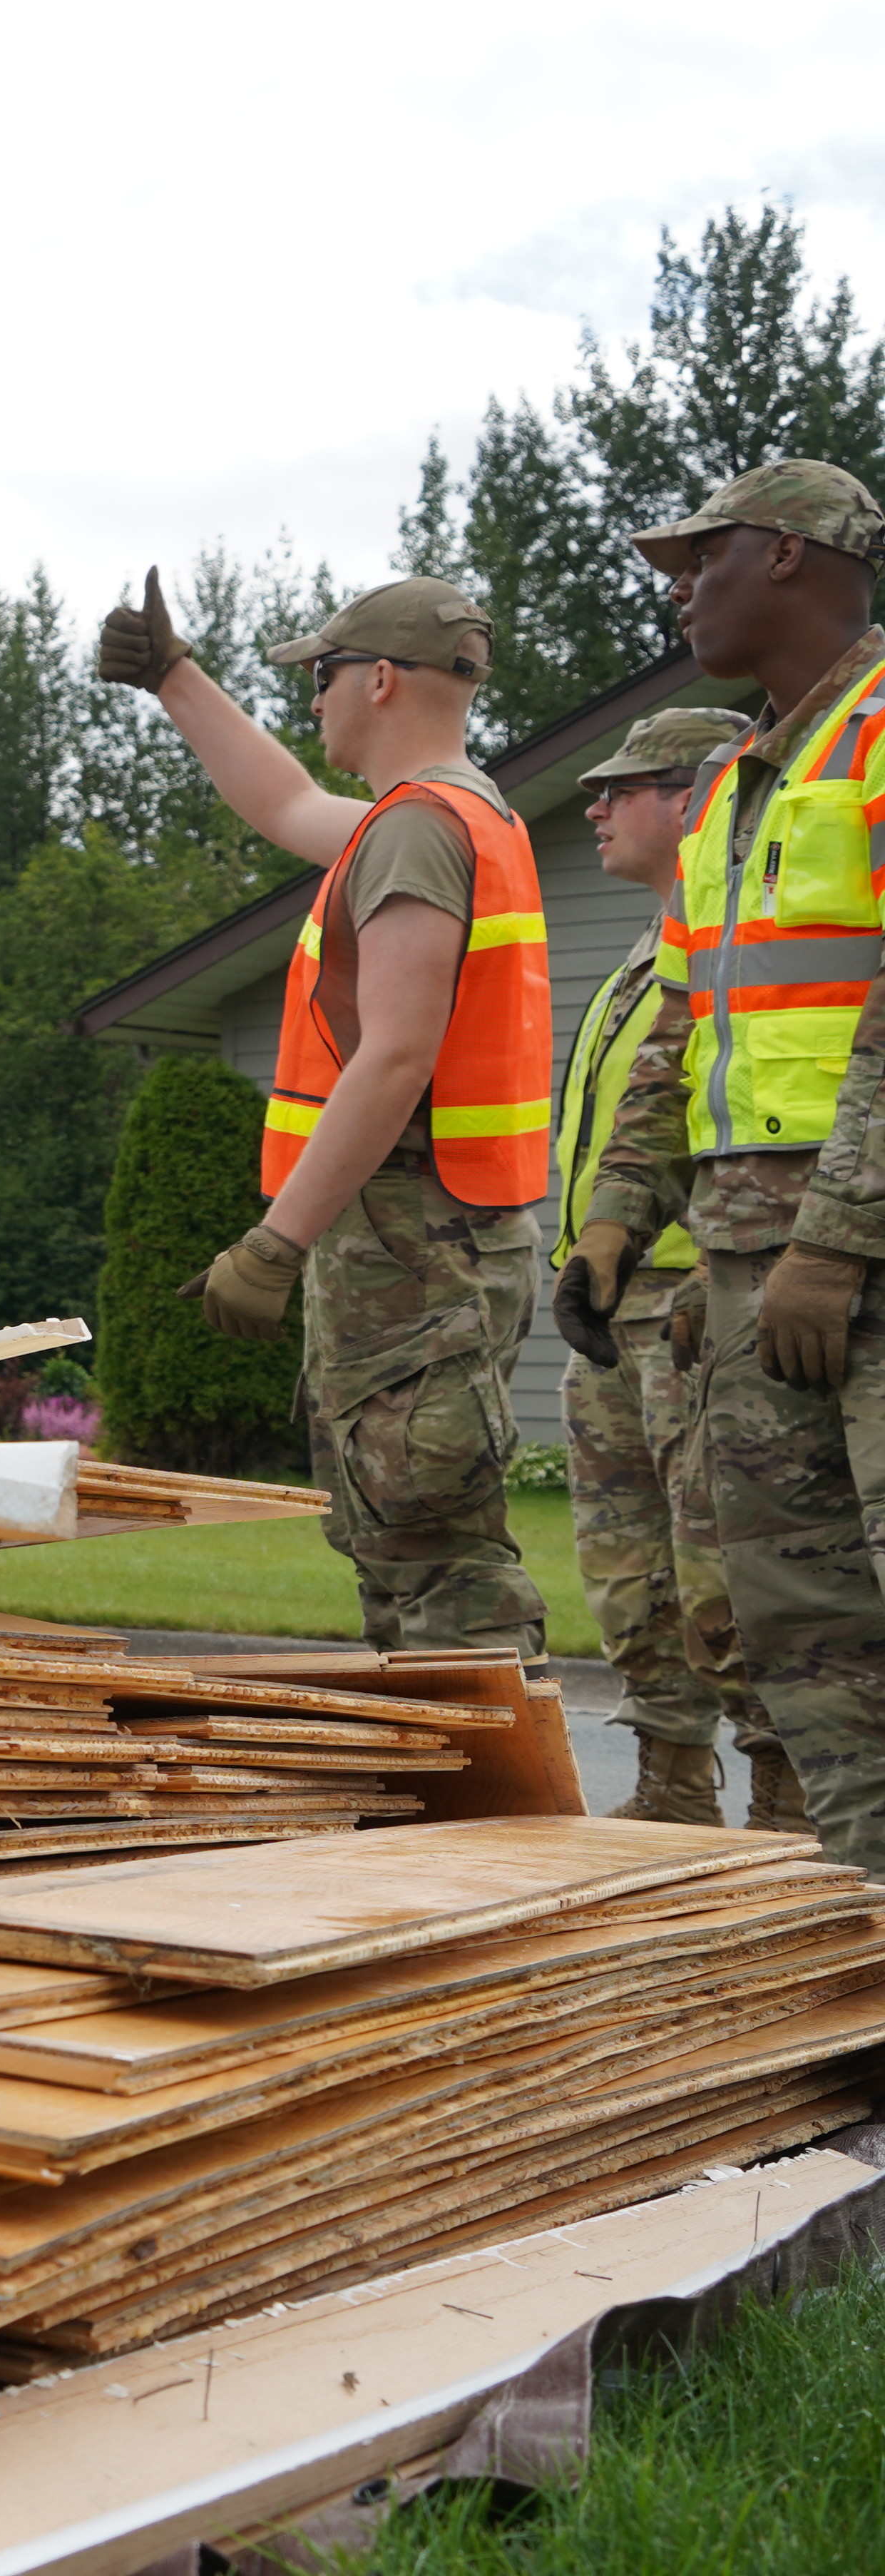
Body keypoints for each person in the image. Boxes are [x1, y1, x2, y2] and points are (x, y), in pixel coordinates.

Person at [97, 572, 553, 1658]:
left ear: (381, 679)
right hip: (436, 1240)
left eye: (323, 676)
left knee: (439, 1569)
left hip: (415, 1245)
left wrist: (274, 1242)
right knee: (403, 1546)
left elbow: (395, 1053)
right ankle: (462, 1812)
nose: (315, 698)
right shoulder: (452, 817)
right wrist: (175, 678)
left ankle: (500, 1815)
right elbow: (289, 805)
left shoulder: (418, 831)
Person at [574, 460, 885, 1871]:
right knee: (796, 1621)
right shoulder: (744, 785)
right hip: (758, 1260)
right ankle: (862, 1925)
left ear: (787, 554)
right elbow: (683, 1028)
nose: (680, 587)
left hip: (849, 1253)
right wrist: (624, 1221)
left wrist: (838, 1233)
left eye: (701, 558)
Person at [548, 707, 787, 1825]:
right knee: (627, 1572)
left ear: (696, 800)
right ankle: (670, 1786)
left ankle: (793, 1805)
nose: (596, 807)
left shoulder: (749, 946)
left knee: (726, 1575)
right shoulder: (647, 956)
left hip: (699, 1308)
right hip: (615, 1316)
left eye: (625, 787)